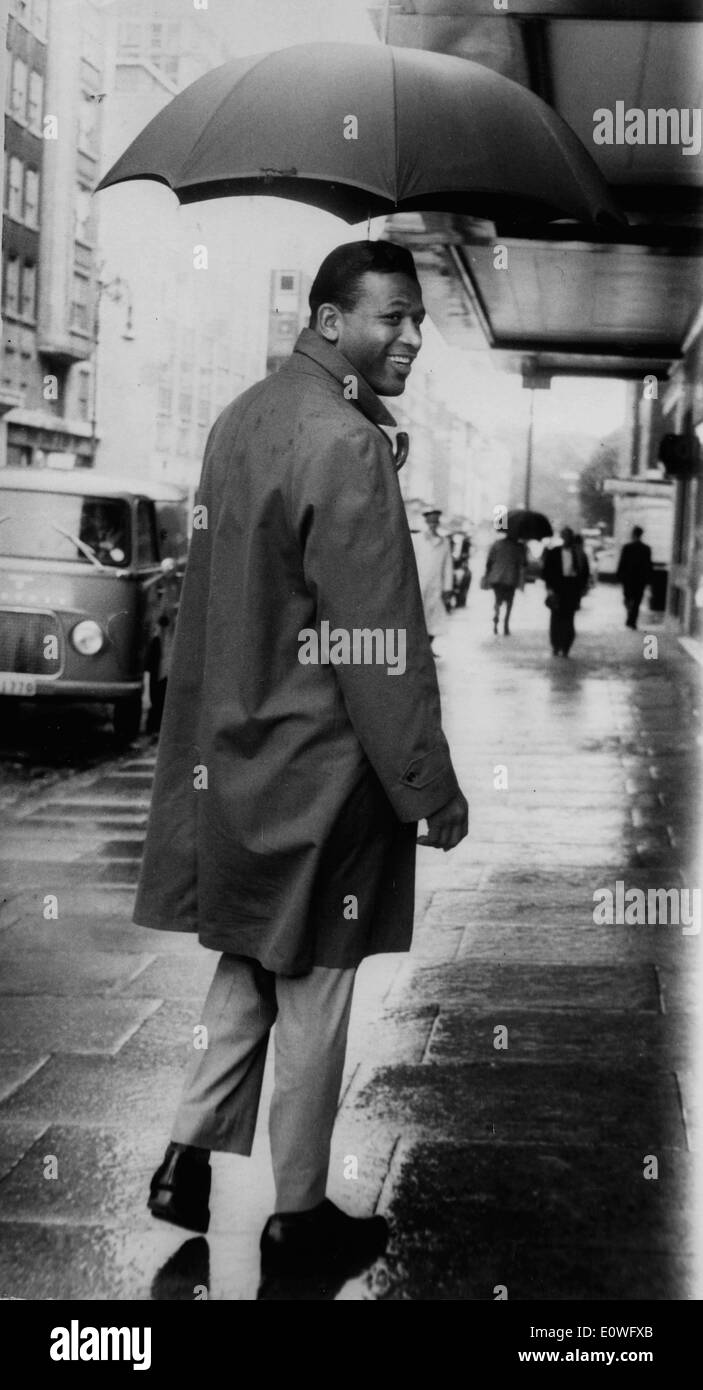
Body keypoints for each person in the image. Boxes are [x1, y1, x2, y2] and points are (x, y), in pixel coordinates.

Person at [136, 240, 468, 1278]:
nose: (412, 337)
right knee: (316, 989)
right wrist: (428, 784)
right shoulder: (346, 442)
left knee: (248, 959)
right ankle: (297, 1215)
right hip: (323, 770)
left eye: (417, 321)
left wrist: (375, 439)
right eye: (392, 317)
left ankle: (184, 1164)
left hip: (235, 755)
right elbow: (377, 643)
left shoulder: (244, 416)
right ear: (329, 321)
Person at [411, 506, 454, 652]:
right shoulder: (416, 539)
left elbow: (448, 566)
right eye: (430, 522)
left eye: (435, 522)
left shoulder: (444, 542)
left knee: (434, 618)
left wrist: (448, 588)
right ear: (426, 522)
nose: (433, 525)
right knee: (418, 616)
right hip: (419, 584)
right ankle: (419, 648)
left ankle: (428, 647)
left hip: (436, 585)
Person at [543, 526, 588, 657]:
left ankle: (566, 646)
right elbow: (547, 572)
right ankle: (556, 645)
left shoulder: (578, 554)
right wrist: (550, 589)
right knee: (556, 619)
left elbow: (584, 572)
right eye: (565, 536)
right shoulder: (554, 553)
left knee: (569, 620)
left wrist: (581, 589)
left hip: (571, 590)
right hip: (558, 589)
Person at [482, 532, 525, 636]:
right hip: (511, 578)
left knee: (498, 599)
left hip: (497, 577)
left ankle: (496, 615)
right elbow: (522, 563)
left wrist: (488, 574)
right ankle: (506, 624)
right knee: (509, 602)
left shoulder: (497, 544)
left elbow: (489, 561)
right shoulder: (518, 547)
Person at [616, 526, 653, 629]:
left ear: (633, 534)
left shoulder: (627, 547)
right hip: (640, 579)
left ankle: (630, 617)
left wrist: (619, 575)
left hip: (628, 579)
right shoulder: (646, 549)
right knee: (637, 601)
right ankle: (632, 620)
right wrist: (649, 579)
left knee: (628, 599)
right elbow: (649, 565)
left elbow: (622, 562)